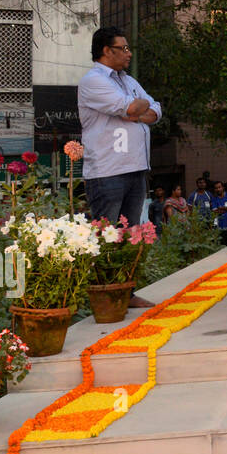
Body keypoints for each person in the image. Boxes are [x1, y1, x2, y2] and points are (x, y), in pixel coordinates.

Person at [78, 26, 161, 308]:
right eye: (122, 48)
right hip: (107, 172)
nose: (128, 53)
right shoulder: (93, 81)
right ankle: (105, 297)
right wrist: (135, 110)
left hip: (135, 168)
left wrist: (139, 109)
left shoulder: (129, 80)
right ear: (106, 51)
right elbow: (130, 109)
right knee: (106, 236)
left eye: (127, 48)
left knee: (130, 236)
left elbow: (154, 109)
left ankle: (126, 292)